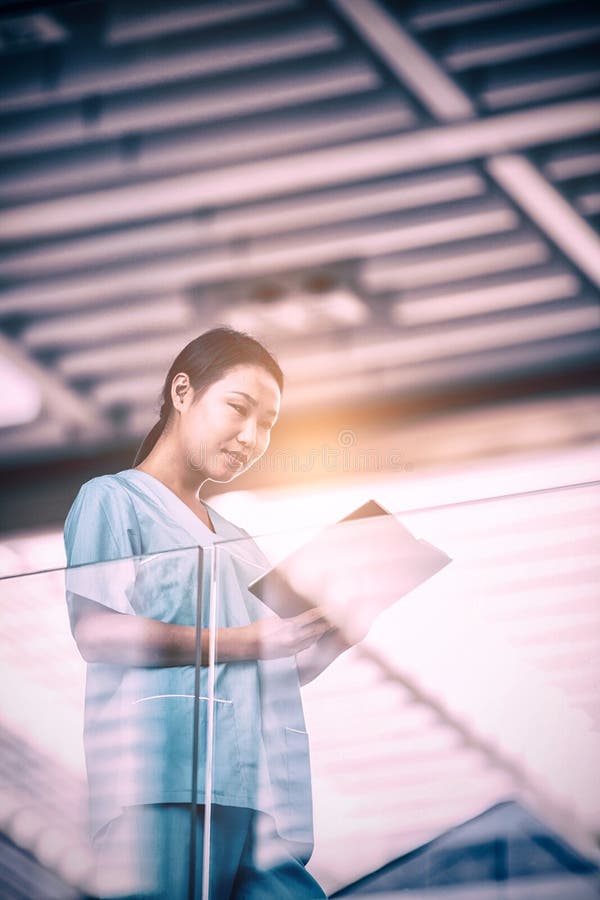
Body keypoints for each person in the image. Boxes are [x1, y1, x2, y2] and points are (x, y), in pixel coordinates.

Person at [63, 327, 355, 899]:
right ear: (181, 392)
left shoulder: (239, 542)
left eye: (267, 424)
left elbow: (269, 665)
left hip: (255, 786)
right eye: (238, 409)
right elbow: (95, 633)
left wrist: (333, 634)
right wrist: (247, 641)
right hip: (162, 782)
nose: (251, 437)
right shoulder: (113, 500)